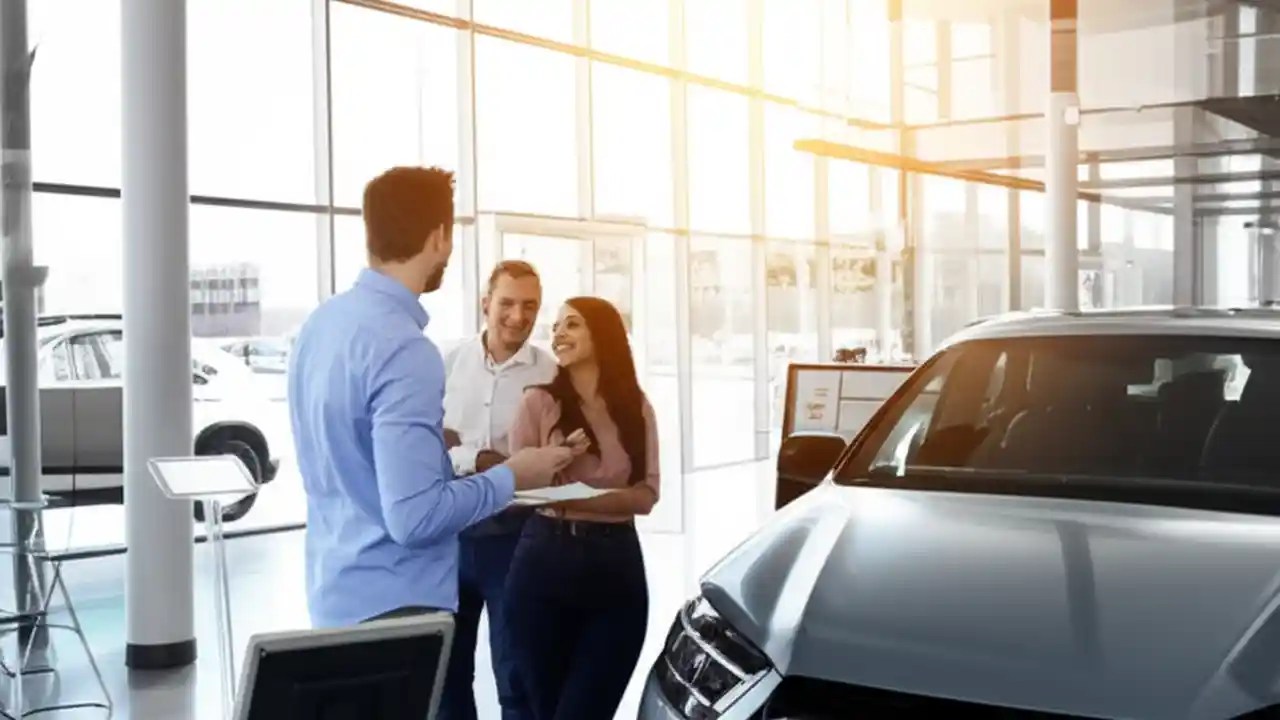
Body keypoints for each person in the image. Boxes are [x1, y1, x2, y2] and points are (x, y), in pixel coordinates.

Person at [287, 166, 573, 628]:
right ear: (440, 236)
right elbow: (415, 519)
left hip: (334, 594)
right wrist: (513, 474)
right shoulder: (405, 347)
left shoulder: (321, 326)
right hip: (396, 602)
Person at [503, 296, 660, 720]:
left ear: (602, 334)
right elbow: (518, 490)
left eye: (572, 324)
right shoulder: (537, 403)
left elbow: (646, 496)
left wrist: (573, 495)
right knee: (545, 709)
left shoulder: (635, 409)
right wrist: (556, 458)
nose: (558, 334)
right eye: (555, 326)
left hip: (616, 570)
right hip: (543, 564)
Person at [439, 260, 557, 720]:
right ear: (485, 303)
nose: (517, 315)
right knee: (447, 674)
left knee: (516, 674)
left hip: (515, 540)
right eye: (507, 303)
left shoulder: (549, 373)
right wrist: (485, 459)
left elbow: (548, 466)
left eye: (529, 306)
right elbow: (433, 444)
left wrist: (464, 453)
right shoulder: (447, 362)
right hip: (448, 539)